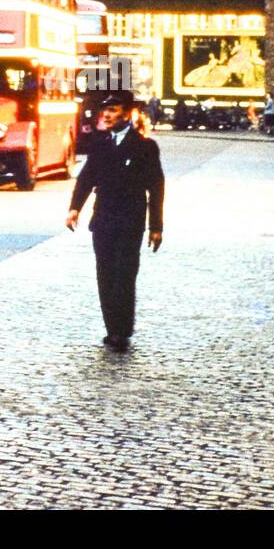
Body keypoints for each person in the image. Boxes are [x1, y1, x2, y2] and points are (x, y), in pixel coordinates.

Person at [66, 90, 165, 353]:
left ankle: (123, 330)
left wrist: (156, 226)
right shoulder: (99, 144)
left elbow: (156, 187)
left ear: (127, 113)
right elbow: (86, 178)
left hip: (131, 221)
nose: (107, 115)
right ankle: (112, 329)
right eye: (105, 110)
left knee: (124, 276)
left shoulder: (145, 147)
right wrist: (74, 208)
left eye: (113, 110)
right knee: (106, 276)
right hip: (103, 221)